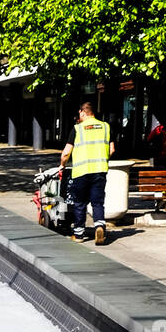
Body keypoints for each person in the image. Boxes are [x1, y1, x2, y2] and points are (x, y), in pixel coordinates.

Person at [60, 101, 114, 244]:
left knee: (80, 203)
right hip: (100, 170)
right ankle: (100, 226)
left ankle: (79, 235)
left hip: (81, 172)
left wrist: (62, 166)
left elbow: (66, 153)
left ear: (83, 112)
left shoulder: (77, 129)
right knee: (97, 202)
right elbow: (112, 149)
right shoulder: (105, 127)